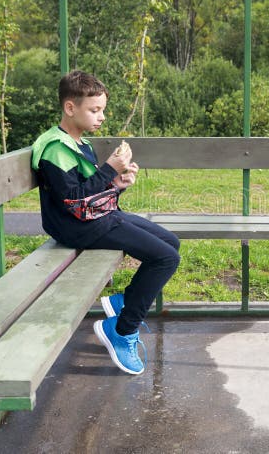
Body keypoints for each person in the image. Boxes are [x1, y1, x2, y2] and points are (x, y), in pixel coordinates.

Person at [31, 70, 180, 375]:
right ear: (70, 108)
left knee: (170, 243)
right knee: (166, 258)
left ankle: (125, 301)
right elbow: (75, 202)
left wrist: (117, 183)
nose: (101, 117)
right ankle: (123, 330)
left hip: (95, 217)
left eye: (102, 110)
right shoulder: (55, 150)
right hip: (80, 227)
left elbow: (89, 192)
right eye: (94, 110)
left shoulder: (78, 143)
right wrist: (109, 168)